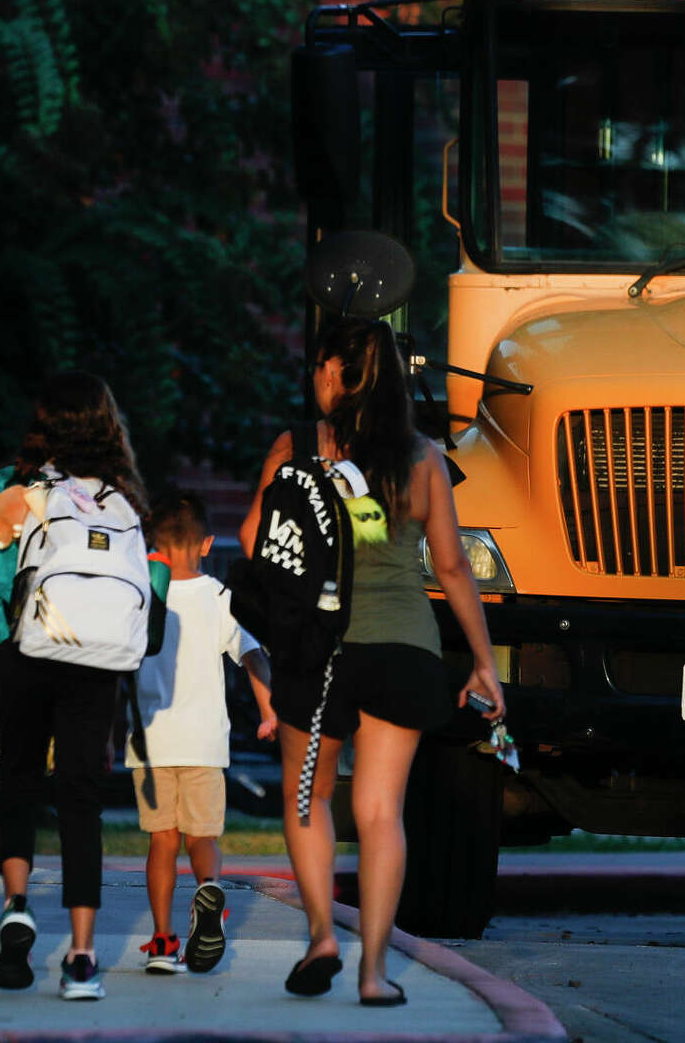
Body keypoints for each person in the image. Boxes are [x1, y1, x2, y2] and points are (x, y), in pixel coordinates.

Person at [240, 317, 505, 1008]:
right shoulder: (420, 457)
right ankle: (374, 973)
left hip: (318, 653)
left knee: (309, 798)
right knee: (383, 811)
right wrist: (483, 664)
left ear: (332, 371)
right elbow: (450, 566)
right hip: (404, 650)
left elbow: (252, 542)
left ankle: (324, 935)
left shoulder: (296, 449)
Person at [0, 371, 150, 1002]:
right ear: (107, 425)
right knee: (81, 799)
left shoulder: (26, 489)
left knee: (19, 779)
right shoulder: (124, 499)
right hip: (97, 661)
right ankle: (81, 956)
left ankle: (18, 905)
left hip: (31, 650)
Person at [127, 491, 278, 976]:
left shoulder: (140, 596)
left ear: (154, 543)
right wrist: (268, 710)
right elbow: (253, 654)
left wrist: (109, 731)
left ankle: (163, 940)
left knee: (162, 843)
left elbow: (115, 667)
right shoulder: (220, 598)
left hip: (150, 743)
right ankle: (208, 888)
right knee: (203, 836)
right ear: (207, 544)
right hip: (205, 744)